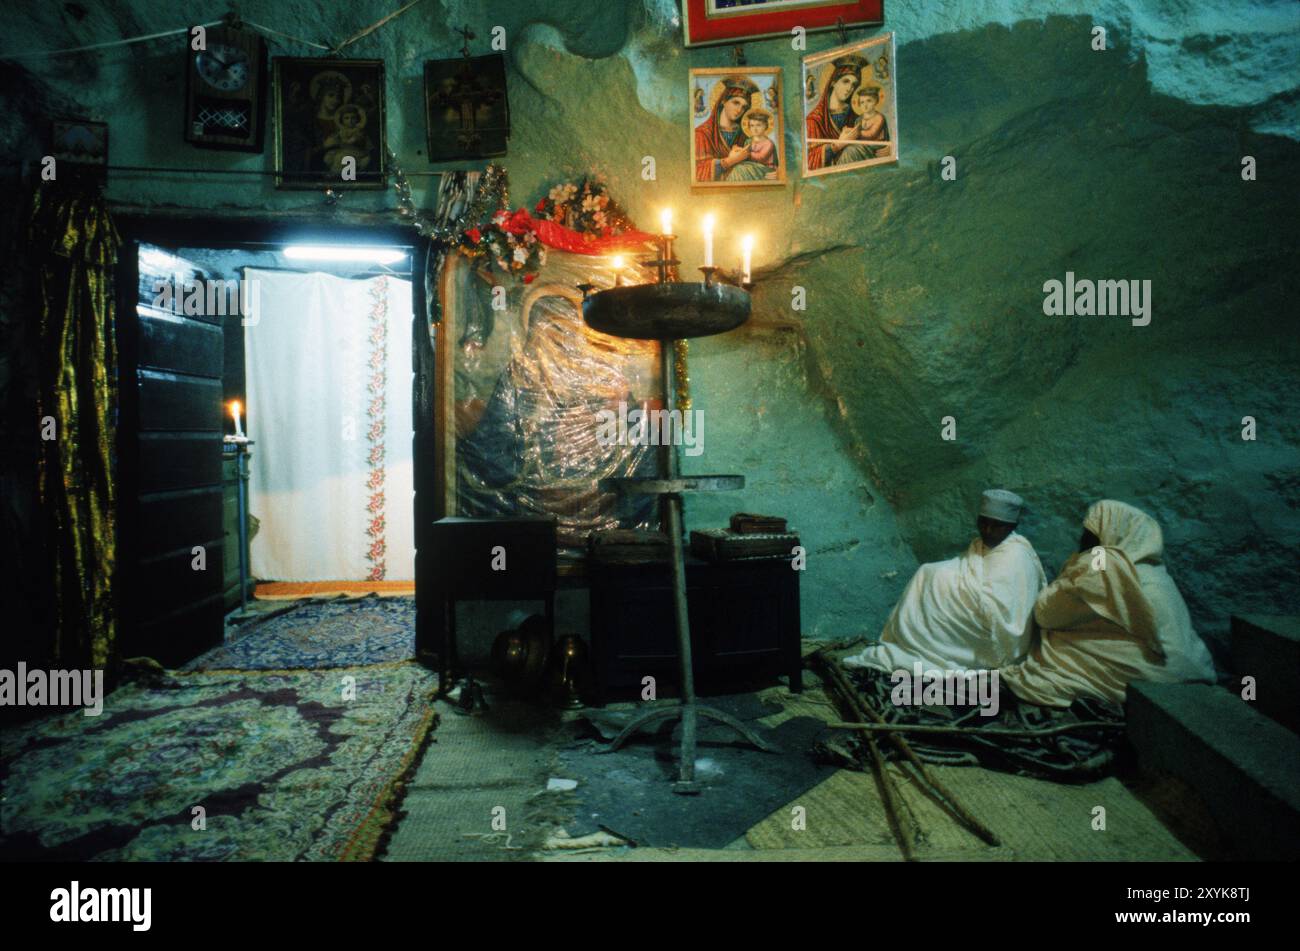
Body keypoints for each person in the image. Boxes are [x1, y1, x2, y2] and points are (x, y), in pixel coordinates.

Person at [999, 500, 1217, 707]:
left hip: (1157, 676)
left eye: (1090, 532)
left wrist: (1069, 576)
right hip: (1191, 668)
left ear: (1107, 534)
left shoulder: (1102, 563)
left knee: (1052, 640)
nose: (1082, 539)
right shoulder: (1156, 572)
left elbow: (1046, 614)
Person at [843, 490, 1046, 674]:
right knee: (927, 572)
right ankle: (912, 643)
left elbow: (1000, 607)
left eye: (997, 526)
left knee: (936, 578)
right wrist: (948, 577)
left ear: (1012, 527)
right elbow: (967, 564)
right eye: (983, 522)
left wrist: (956, 585)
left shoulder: (1017, 554)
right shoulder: (981, 545)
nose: (988, 530)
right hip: (971, 601)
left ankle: (932, 648)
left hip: (991, 632)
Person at [693, 75, 770, 183]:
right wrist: (730, 161)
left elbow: (760, 163)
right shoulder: (701, 134)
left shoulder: (746, 134)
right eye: (736, 102)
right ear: (723, 101)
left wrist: (774, 172)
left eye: (744, 107)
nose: (739, 110)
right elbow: (695, 173)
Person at [805, 55, 876, 171]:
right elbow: (809, 161)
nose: (849, 88)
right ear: (833, 82)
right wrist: (838, 145)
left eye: (854, 85)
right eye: (845, 81)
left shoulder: (856, 115)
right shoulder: (814, 120)